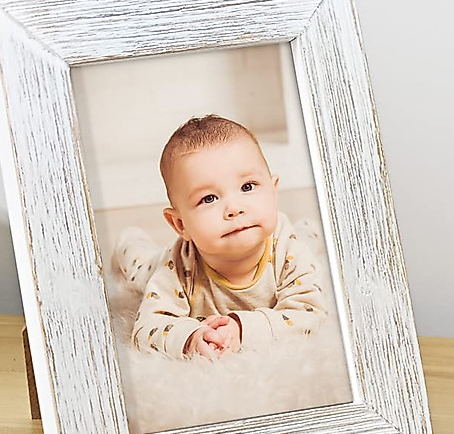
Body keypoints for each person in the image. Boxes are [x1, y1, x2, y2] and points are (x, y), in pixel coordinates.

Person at [122, 114, 328, 359]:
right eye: (208, 198)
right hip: (159, 262)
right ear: (180, 224)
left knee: (305, 241)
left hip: (289, 239)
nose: (234, 208)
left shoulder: (287, 248)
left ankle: (309, 228)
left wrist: (244, 329)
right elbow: (147, 329)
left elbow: (309, 315)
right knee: (139, 268)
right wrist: (189, 337)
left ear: (273, 192)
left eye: (248, 187)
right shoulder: (177, 267)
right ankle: (130, 239)